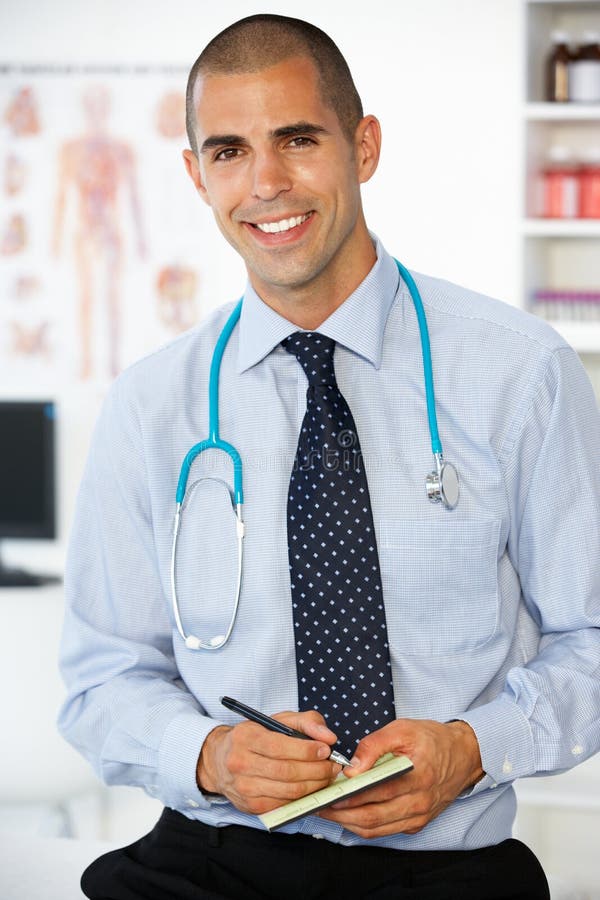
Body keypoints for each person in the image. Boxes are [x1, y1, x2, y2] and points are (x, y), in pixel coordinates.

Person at [58, 14, 600, 900]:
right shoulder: (152, 405)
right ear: (198, 175)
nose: (266, 183)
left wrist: (474, 747)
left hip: (444, 868)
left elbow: (592, 637)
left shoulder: (521, 372)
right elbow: (104, 678)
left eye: (298, 139)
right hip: (207, 861)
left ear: (364, 144)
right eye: (229, 151)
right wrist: (211, 755)